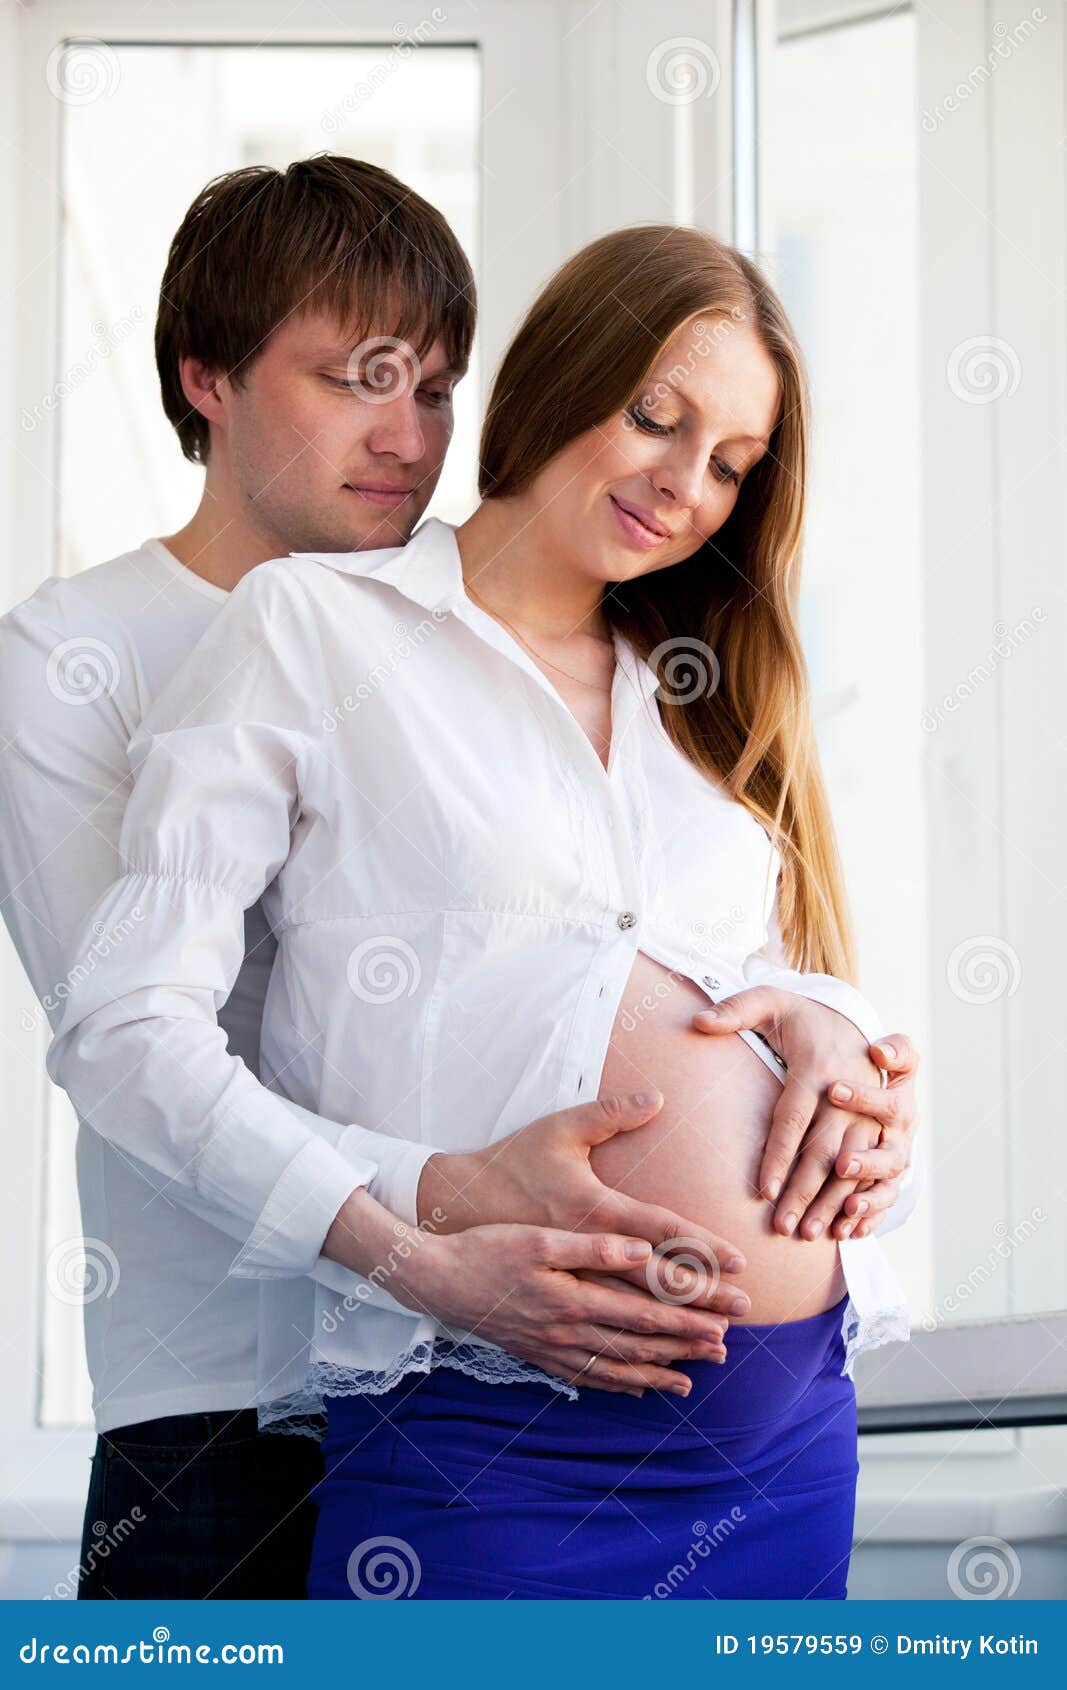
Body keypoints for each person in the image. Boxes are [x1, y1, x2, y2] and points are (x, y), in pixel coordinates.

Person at [46, 223, 921, 1600]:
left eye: (731, 466)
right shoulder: (313, 626)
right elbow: (124, 1030)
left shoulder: (701, 685)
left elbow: (735, 968)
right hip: (492, 1420)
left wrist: (830, 1024)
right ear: (564, 372)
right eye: (656, 418)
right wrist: (418, 1247)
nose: (685, 485)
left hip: (788, 1435)